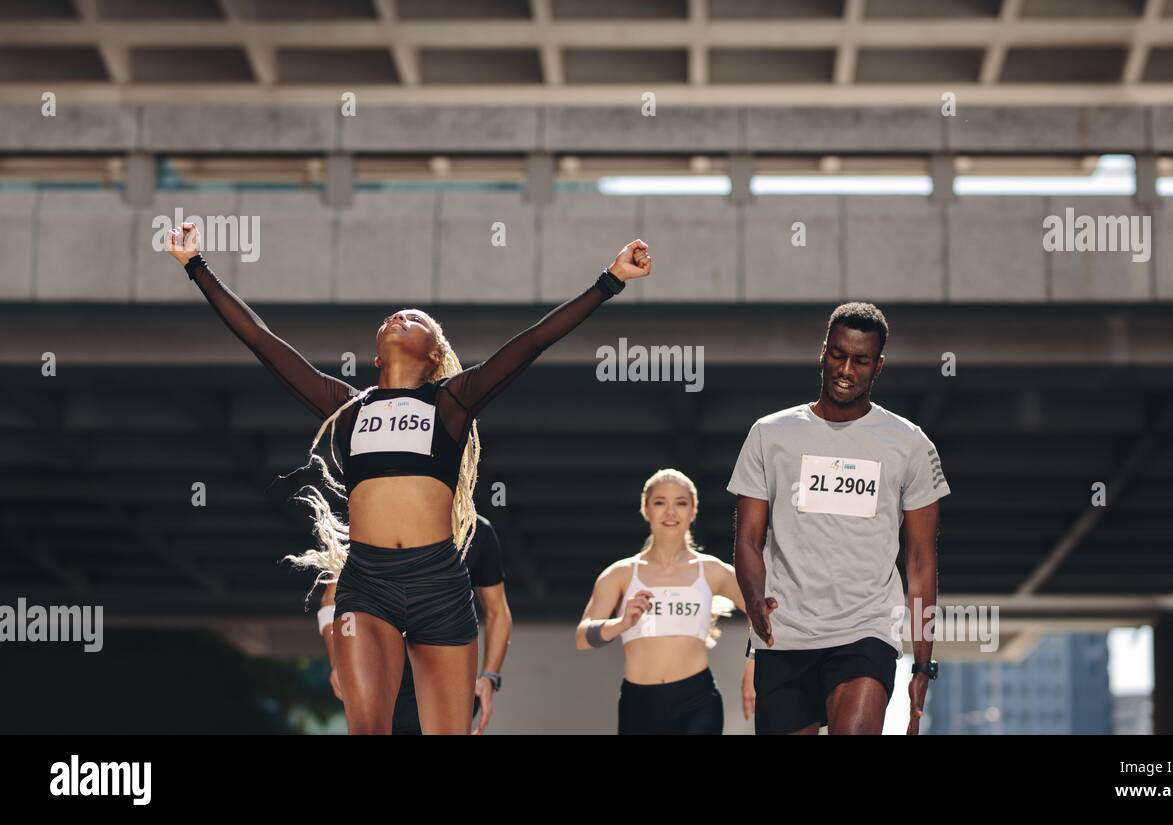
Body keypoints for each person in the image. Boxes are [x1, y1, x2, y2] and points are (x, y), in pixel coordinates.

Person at [166, 221, 650, 733]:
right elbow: (262, 342)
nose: (400, 315)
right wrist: (196, 267)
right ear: (377, 355)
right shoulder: (347, 409)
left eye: (416, 318)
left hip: (439, 585)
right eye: (394, 317)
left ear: (434, 355)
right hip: (367, 584)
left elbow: (531, 343)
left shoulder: (452, 402)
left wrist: (610, 281)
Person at [728, 302, 949, 735]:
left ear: (878, 366)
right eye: (837, 354)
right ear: (823, 352)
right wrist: (754, 598)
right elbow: (748, 540)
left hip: (865, 629)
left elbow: (921, 561)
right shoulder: (769, 434)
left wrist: (923, 664)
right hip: (784, 633)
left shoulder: (909, 445)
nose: (846, 369)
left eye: (861, 360)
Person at [576, 469, 747, 735]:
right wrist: (621, 623)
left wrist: (753, 661)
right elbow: (582, 638)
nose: (670, 512)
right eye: (660, 503)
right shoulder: (620, 574)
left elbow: (764, 611)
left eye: (680, 503)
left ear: (693, 511)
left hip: (698, 701)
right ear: (646, 509)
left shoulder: (713, 571)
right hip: (639, 703)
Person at [318, 514, 511, 734]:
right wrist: (337, 662)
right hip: (382, 677)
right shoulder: (373, 519)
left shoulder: (477, 531)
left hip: (444, 680)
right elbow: (329, 603)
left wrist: (490, 677)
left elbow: (498, 611)